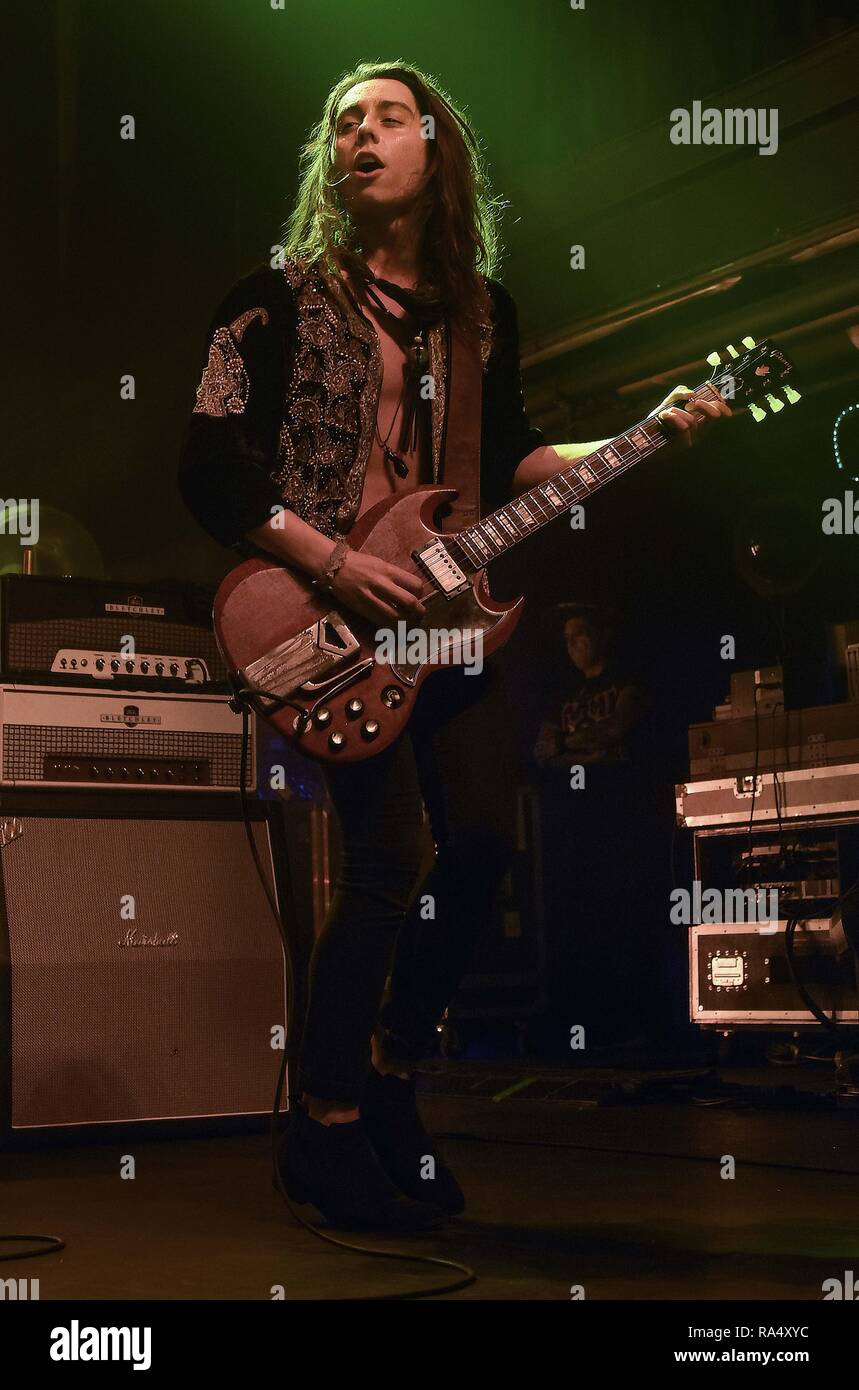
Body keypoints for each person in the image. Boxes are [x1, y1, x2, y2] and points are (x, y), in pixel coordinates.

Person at [179, 61, 729, 1231]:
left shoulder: (482, 313)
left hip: (445, 614)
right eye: (342, 123)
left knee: (480, 840)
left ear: (437, 151)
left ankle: (387, 1075)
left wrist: (641, 436)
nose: (360, 135)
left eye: (387, 117)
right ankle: (322, 1126)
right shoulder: (271, 298)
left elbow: (513, 454)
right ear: (329, 163)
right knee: (388, 861)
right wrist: (331, 562)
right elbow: (208, 467)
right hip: (322, 607)